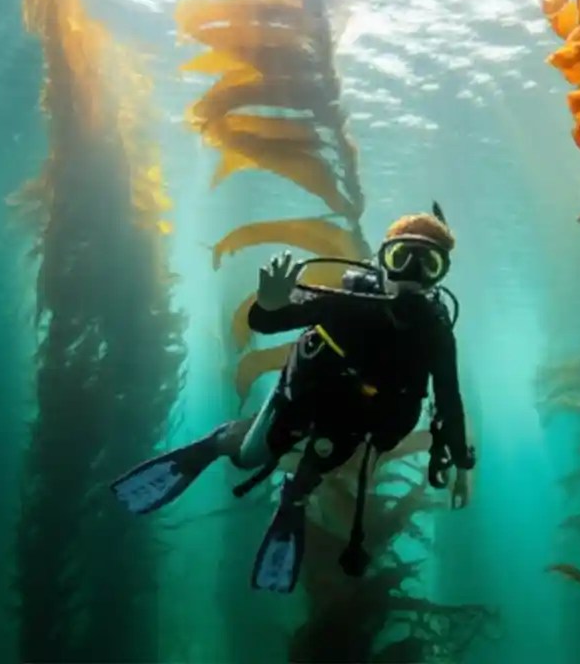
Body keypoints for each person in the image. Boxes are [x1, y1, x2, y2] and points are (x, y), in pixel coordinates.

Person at [111, 204, 476, 593]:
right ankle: (214, 444)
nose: (412, 276)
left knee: (310, 472)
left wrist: (463, 468)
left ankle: (293, 499)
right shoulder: (349, 303)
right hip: (304, 395)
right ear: (382, 263)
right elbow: (268, 322)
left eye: (429, 264)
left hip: (353, 422)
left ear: (441, 275)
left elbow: (449, 400)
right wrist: (269, 302)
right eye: (402, 258)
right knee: (250, 455)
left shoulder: (436, 332)